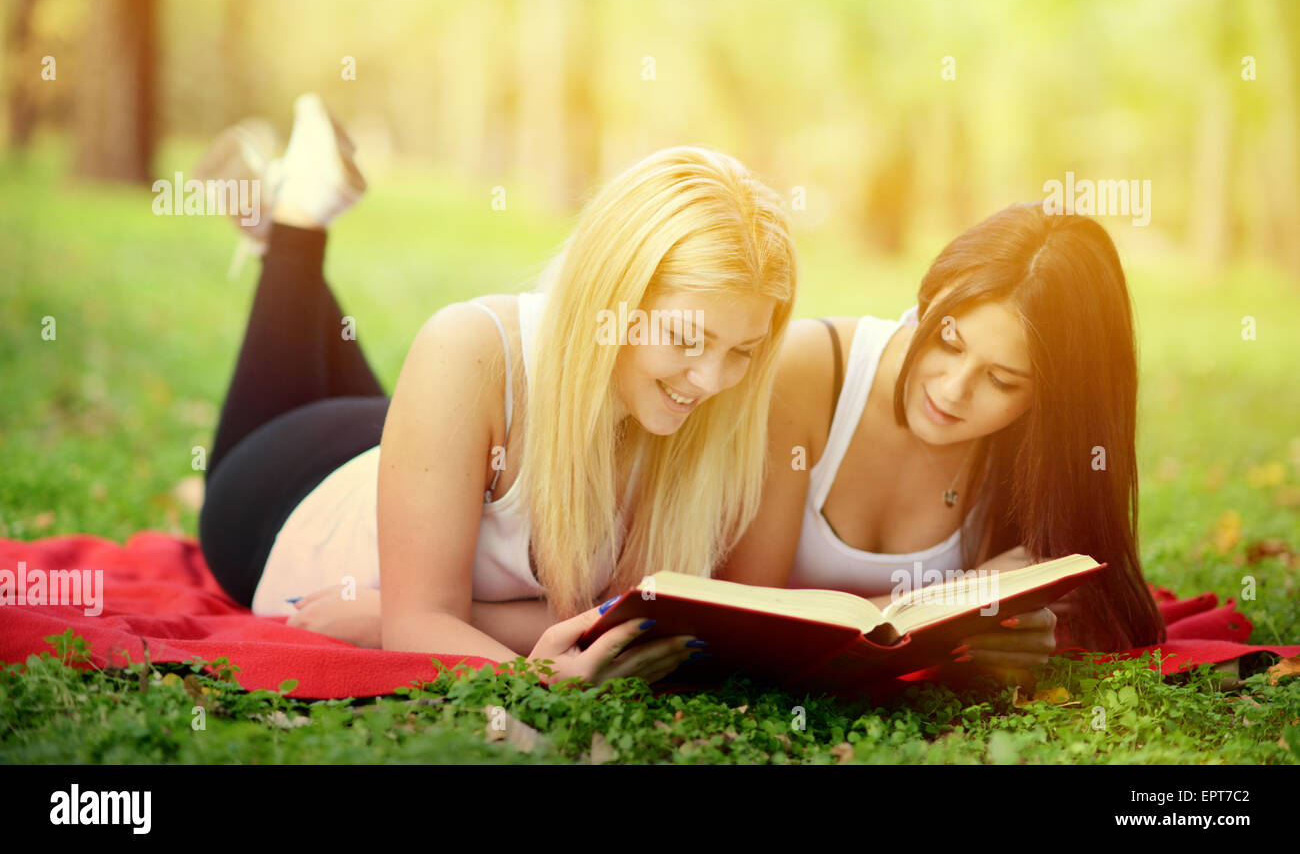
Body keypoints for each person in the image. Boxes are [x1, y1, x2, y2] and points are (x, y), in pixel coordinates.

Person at [196, 94, 798, 688]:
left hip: (431, 443)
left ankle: (286, 224)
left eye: (741, 352)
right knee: (441, 376)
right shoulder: (470, 345)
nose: (713, 381)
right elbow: (424, 625)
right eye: (687, 339)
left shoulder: (701, 413)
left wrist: (414, 617)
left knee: (449, 406)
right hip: (287, 489)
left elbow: (623, 618)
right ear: (612, 295)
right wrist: (530, 671)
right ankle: (298, 219)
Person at [718, 202, 1166, 686]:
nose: (952, 390)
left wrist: (1017, 637)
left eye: (1000, 380)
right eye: (948, 343)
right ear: (927, 299)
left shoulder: (1034, 454)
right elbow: (747, 626)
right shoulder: (805, 371)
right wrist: (963, 596)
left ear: (1050, 401)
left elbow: (1091, 620)